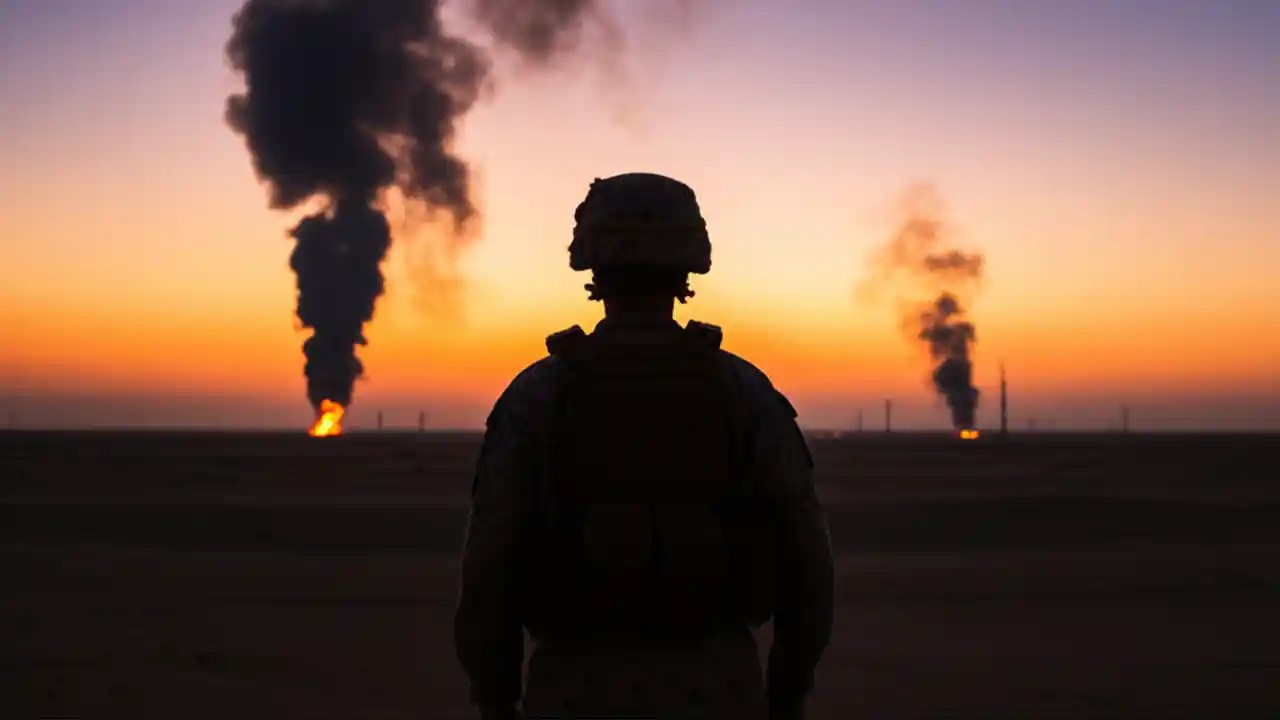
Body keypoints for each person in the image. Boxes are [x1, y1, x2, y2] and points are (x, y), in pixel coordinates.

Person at [455, 173, 834, 720]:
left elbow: (488, 564)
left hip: (574, 688)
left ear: (591, 262)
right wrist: (789, 689)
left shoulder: (538, 393)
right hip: (718, 685)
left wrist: (493, 695)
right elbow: (807, 560)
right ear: (689, 262)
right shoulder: (741, 389)